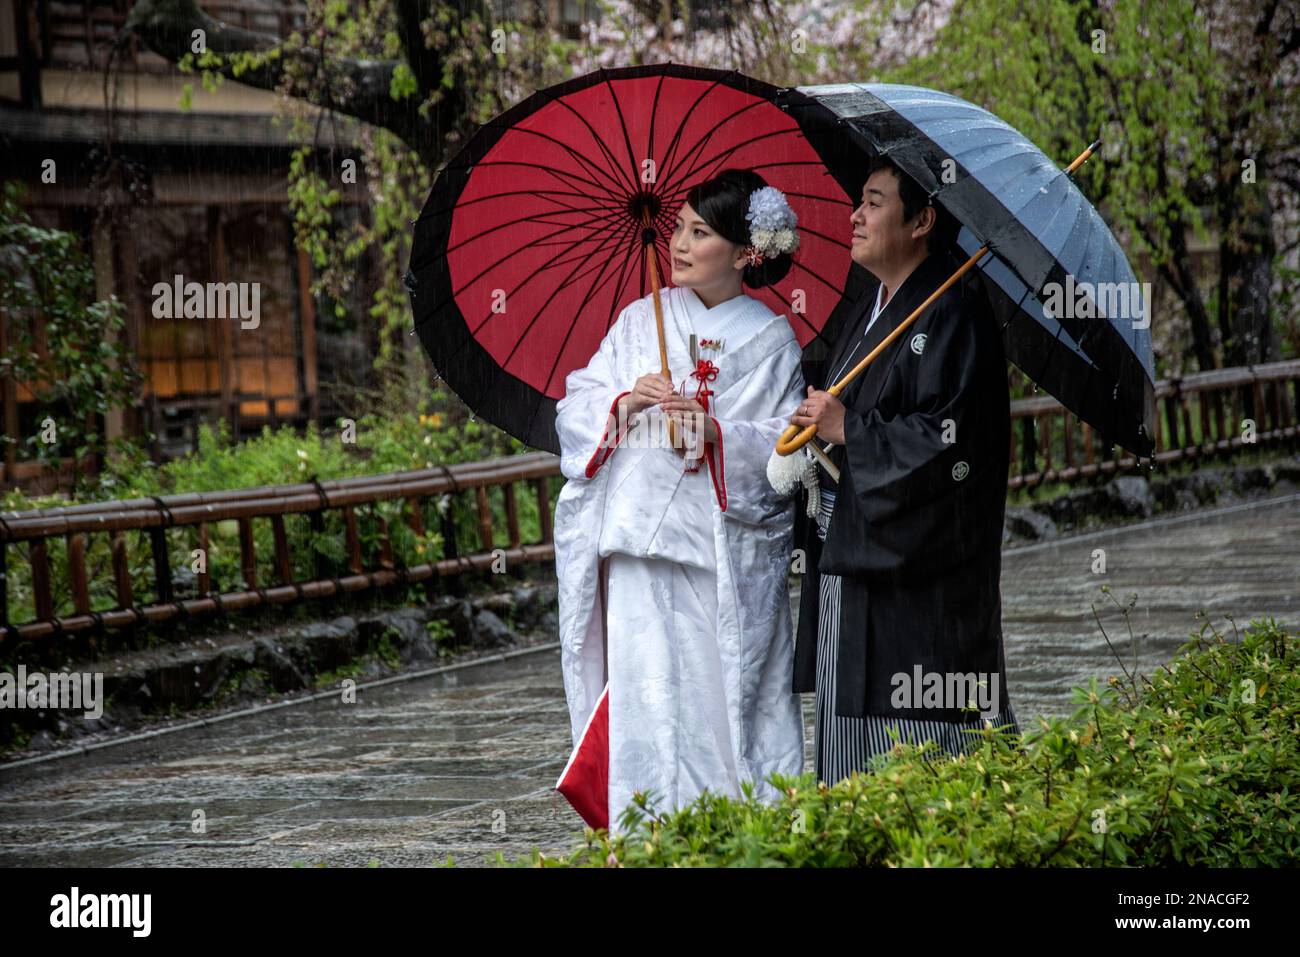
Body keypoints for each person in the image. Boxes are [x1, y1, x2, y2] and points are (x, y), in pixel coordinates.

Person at [553, 169, 806, 836]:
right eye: (680, 228)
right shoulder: (642, 319)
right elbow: (576, 404)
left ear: (747, 252)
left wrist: (716, 431)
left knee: (718, 705)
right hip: (637, 545)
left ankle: (727, 835)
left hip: (715, 556)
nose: (681, 243)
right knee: (645, 704)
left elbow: (787, 451)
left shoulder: (772, 340)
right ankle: (644, 835)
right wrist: (623, 401)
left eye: (701, 232)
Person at [786, 154, 1020, 784]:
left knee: (924, 749)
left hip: (919, 569)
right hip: (850, 548)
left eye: (873, 202)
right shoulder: (870, 310)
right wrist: (819, 426)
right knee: (849, 743)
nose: (855, 216)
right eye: (858, 201)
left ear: (922, 219)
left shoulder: (953, 310)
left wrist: (848, 431)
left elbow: (953, 445)